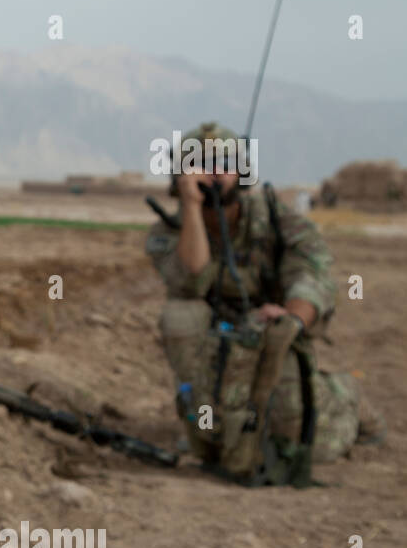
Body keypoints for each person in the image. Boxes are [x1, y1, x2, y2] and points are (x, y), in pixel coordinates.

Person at [145, 122, 384, 483]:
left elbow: (314, 274)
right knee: (180, 315)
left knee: (311, 445)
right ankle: (208, 428)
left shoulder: (276, 218)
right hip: (216, 342)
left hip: (273, 337)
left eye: (223, 162)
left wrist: (291, 317)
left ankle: (344, 397)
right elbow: (192, 280)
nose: (213, 173)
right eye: (199, 163)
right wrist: (193, 209)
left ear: (241, 170)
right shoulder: (167, 234)